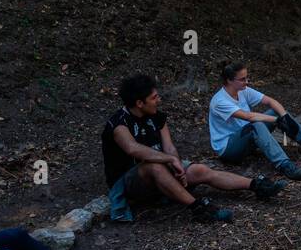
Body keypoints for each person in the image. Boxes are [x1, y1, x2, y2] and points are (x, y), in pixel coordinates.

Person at [101, 73, 280, 223]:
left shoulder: (156, 117)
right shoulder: (119, 124)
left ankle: (256, 185)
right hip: (130, 181)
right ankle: (199, 208)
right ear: (140, 103)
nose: (159, 100)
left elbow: (169, 147)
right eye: (154, 98)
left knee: (200, 170)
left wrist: (176, 164)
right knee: (153, 166)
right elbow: (133, 149)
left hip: (163, 170)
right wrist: (170, 160)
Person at [208, 61, 301, 181]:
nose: (247, 82)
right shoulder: (219, 101)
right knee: (257, 124)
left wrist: (284, 116)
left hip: (247, 136)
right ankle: (284, 164)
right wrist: (277, 120)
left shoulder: (243, 90)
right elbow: (248, 116)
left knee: (277, 111)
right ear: (229, 80)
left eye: (246, 78)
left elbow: (270, 101)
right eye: (242, 79)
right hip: (229, 149)